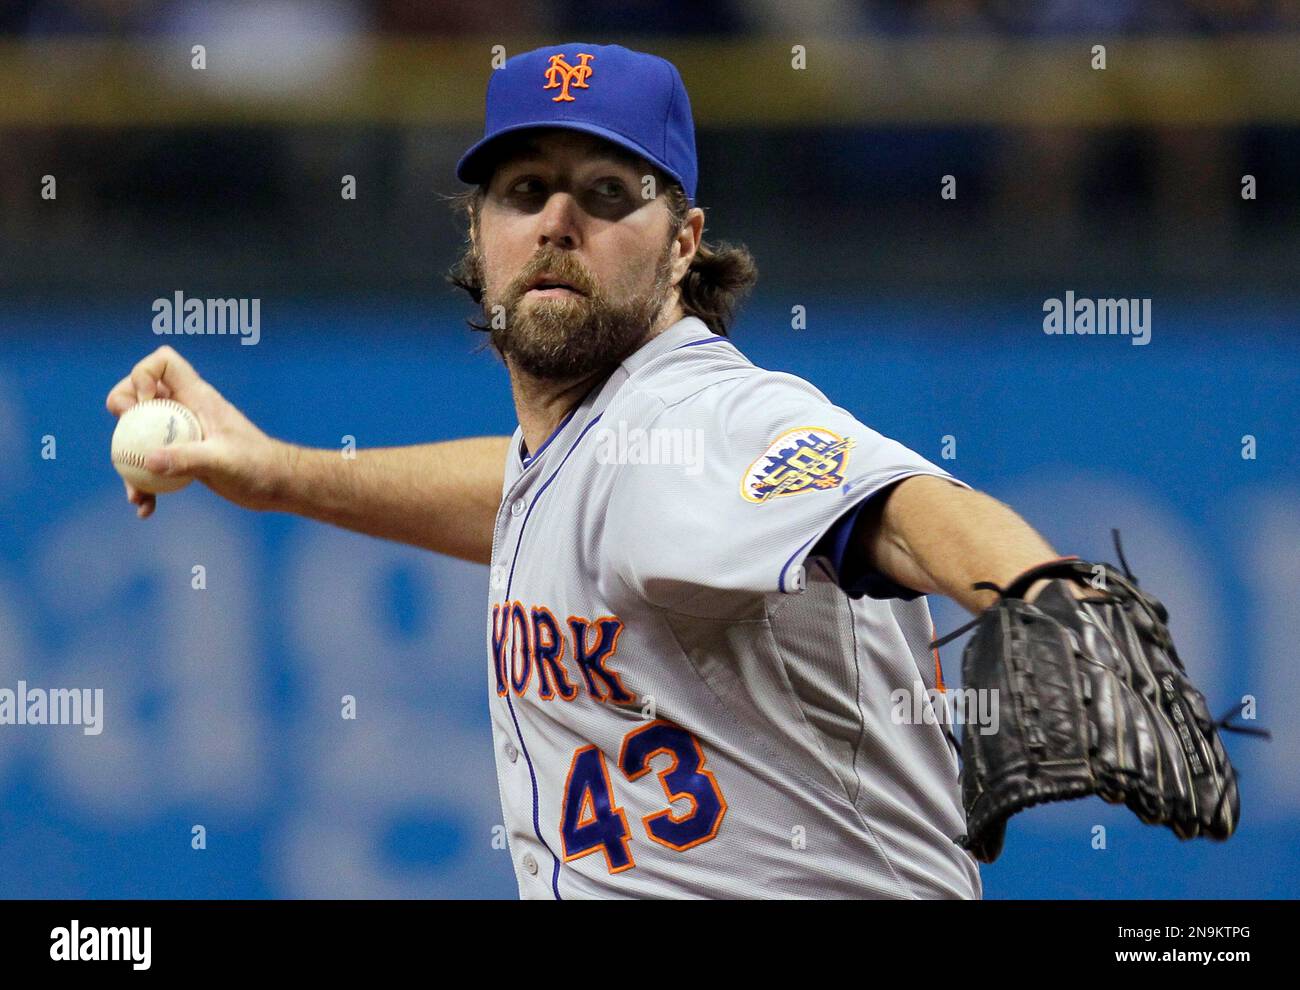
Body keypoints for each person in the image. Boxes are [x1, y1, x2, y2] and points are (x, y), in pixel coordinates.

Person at [107, 43, 1102, 899]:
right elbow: (525, 495)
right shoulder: (598, 449)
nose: (555, 222)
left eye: (606, 193)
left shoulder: (704, 415)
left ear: (683, 244)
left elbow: (899, 509)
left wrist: (1039, 591)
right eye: (523, 190)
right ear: (478, 229)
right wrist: (274, 471)